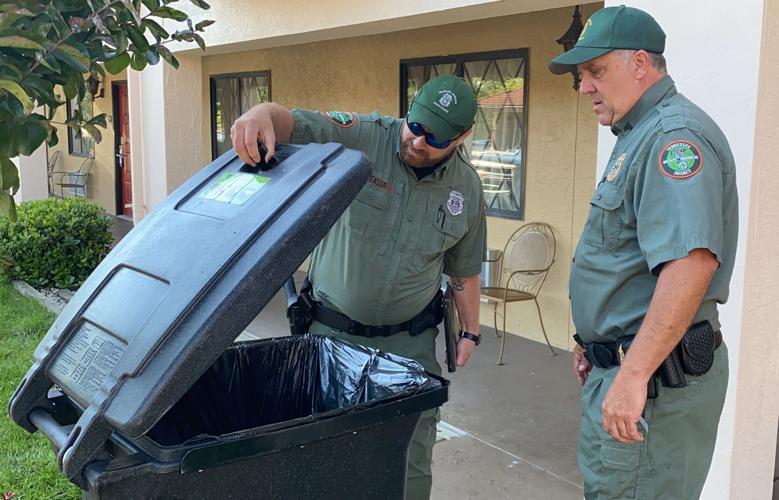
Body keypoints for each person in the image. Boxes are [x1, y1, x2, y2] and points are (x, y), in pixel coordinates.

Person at [231, 74, 487, 500]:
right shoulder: (363, 137)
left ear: (462, 137)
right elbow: (291, 121)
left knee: (410, 459)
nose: (419, 142)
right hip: (331, 336)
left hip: (410, 346)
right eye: (416, 126)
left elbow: (463, 270)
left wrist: (471, 330)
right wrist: (259, 115)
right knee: (322, 455)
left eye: (436, 138)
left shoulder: (467, 188)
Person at [548, 6, 738, 499]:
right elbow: (628, 258)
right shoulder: (638, 132)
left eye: (595, 71)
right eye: (581, 74)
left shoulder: (673, 139)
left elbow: (690, 263)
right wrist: (594, 339)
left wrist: (632, 373)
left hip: (654, 387)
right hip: (631, 369)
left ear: (640, 63)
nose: (584, 85)